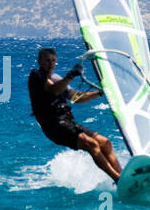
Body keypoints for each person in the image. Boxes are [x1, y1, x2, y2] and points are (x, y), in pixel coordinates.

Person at [27, 47, 123, 182]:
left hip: (67, 122)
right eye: (47, 60)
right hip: (53, 126)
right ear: (39, 62)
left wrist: (100, 93)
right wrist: (70, 76)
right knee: (91, 144)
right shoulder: (36, 75)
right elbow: (53, 90)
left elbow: (76, 98)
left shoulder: (56, 78)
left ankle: (124, 176)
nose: (50, 63)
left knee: (105, 143)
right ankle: (117, 179)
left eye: (53, 60)